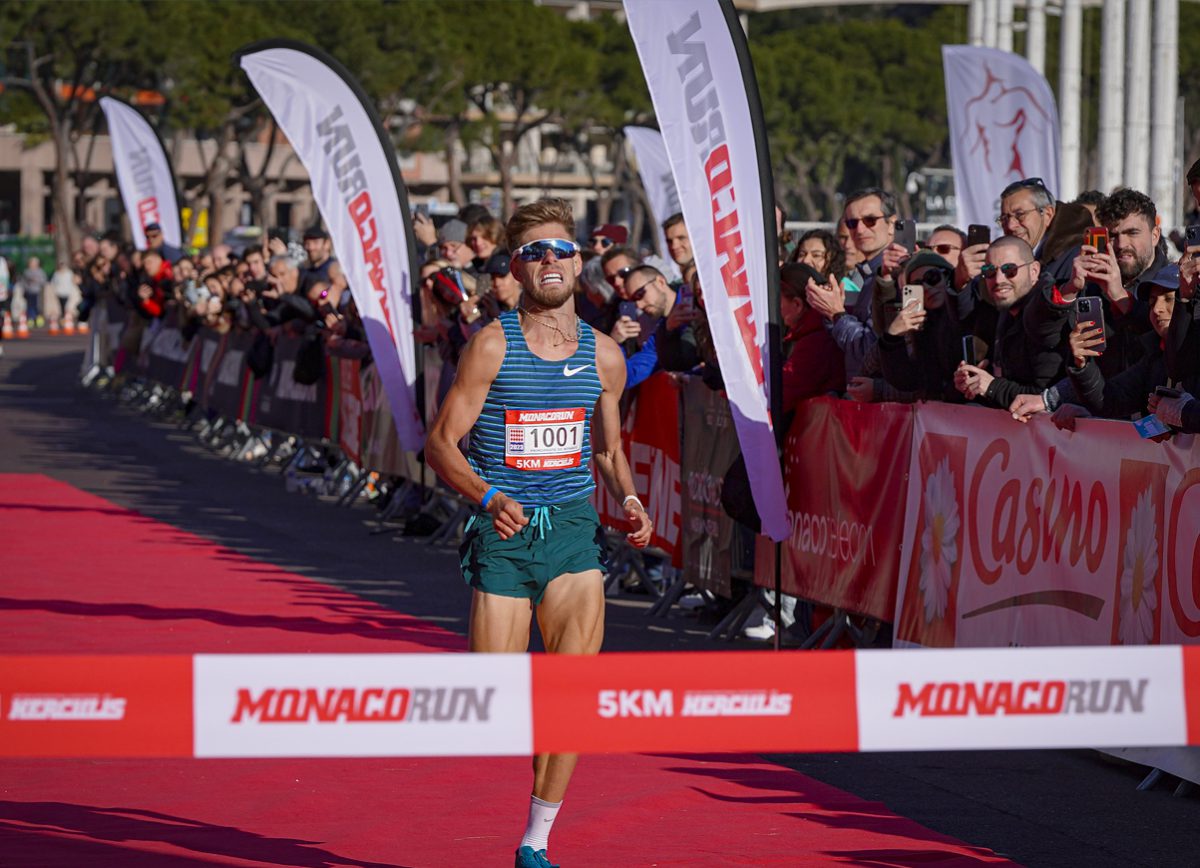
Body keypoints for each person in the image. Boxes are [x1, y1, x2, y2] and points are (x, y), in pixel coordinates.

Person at [424, 198, 652, 868]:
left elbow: (608, 450)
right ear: (519, 270)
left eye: (560, 249)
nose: (549, 260)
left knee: (574, 693)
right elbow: (442, 444)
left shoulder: (605, 355)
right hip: (504, 530)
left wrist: (631, 500)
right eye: (534, 253)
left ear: (579, 262)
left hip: (574, 531)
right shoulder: (491, 344)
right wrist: (487, 496)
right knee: (492, 700)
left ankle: (536, 840)